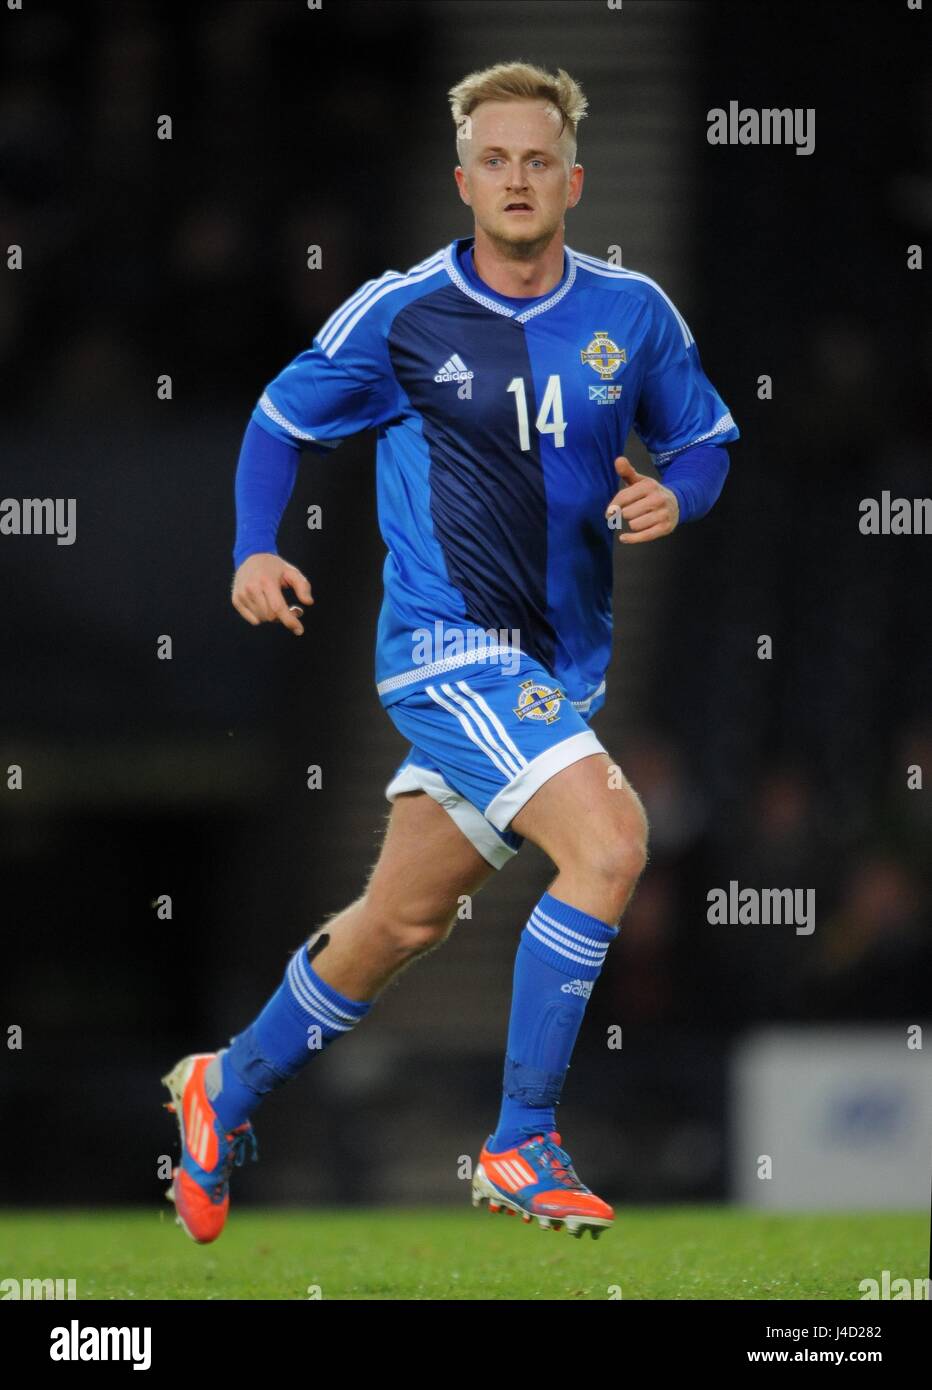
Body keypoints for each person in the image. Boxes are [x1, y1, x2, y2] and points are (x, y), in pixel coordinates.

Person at [162, 60, 739, 1244]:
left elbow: (705, 441)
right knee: (611, 839)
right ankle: (522, 1136)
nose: (516, 178)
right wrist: (250, 549)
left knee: (400, 922)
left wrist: (676, 498)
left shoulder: (632, 315)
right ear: (461, 178)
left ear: (573, 179)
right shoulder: (401, 311)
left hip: (556, 667)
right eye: (494, 159)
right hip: (444, 649)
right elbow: (280, 416)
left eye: (537, 160)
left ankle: (225, 1084)